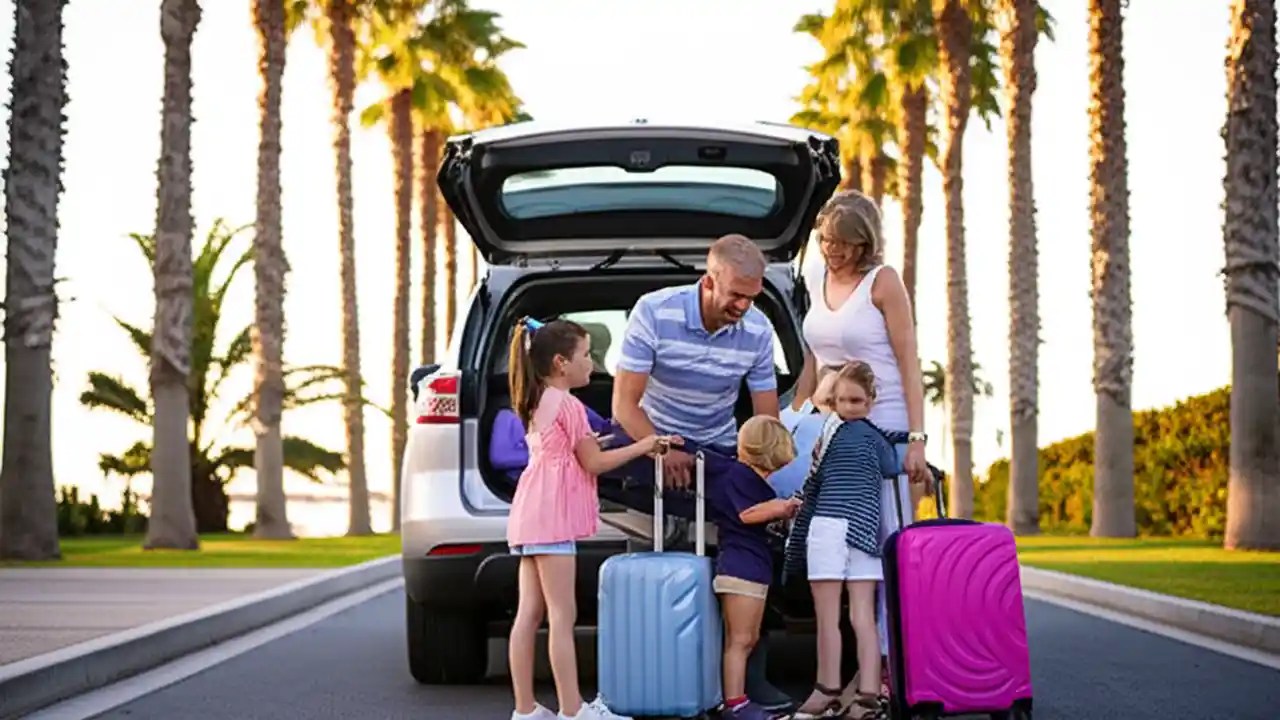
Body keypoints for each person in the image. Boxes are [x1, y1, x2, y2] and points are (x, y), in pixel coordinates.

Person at [611, 233, 793, 713]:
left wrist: (765, 470)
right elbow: (623, 406)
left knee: (752, 539)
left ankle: (748, 676)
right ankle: (656, 672)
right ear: (707, 280)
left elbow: (766, 420)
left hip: (717, 449)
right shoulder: (654, 311)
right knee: (659, 555)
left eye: (752, 297)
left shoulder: (756, 330)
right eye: (735, 295)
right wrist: (661, 448)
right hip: (652, 438)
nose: (743, 307)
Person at [789, 190, 930, 704]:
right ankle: (859, 674)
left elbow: (909, 362)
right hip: (833, 429)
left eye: (844, 245)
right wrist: (796, 422)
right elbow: (812, 362)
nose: (833, 252)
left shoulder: (883, 282)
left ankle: (890, 672)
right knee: (842, 554)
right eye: (826, 241)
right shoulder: (815, 277)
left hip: (885, 426)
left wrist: (915, 439)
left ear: (865, 243)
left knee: (886, 552)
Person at [505, 317, 679, 720]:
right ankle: (573, 711)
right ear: (563, 363)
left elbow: (564, 451)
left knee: (528, 614)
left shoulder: (538, 396)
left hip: (529, 512)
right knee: (563, 617)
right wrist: (646, 445)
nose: (594, 363)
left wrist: (598, 443)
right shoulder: (569, 404)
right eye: (587, 355)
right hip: (554, 517)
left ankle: (526, 710)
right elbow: (594, 463)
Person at [785, 362, 906, 719]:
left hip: (841, 530)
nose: (849, 407)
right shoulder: (873, 440)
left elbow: (814, 483)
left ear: (870, 401)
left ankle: (850, 693)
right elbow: (889, 465)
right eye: (842, 401)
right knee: (836, 617)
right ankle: (846, 692)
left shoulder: (831, 437)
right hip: (846, 530)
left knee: (859, 617)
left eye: (856, 400)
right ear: (834, 401)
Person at [707, 415, 800, 719]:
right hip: (741, 569)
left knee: (747, 639)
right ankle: (735, 704)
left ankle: (738, 701)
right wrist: (781, 507)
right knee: (740, 640)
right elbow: (747, 514)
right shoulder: (739, 476)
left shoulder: (745, 478)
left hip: (750, 569)